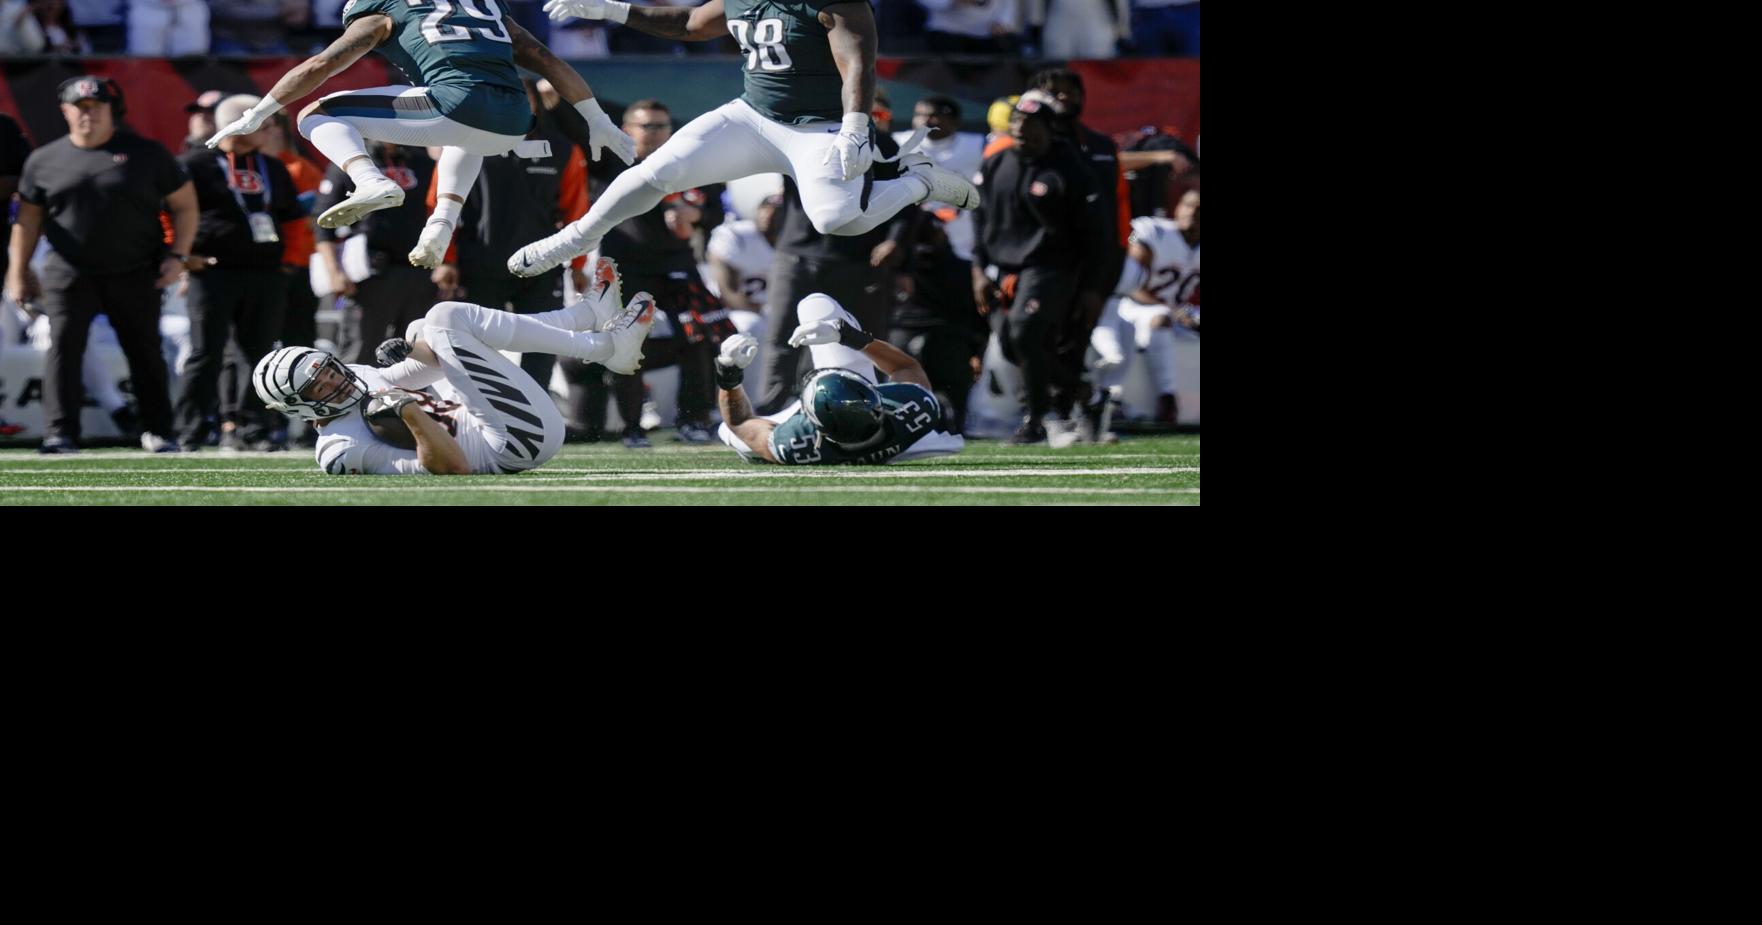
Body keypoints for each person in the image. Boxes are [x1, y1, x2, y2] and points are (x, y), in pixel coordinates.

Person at [509, 0, 980, 279]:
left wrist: (856, 126)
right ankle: (574, 239)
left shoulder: (835, 1)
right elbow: (691, 24)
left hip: (822, 126)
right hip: (754, 115)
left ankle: (919, 180)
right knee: (656, 172)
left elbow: (858, 63)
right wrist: (611, 10)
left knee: (837, 219)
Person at [204, 0, 636, 274]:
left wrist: (259, 112)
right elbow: (543, 57)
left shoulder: (383, 7)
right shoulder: (484, 5)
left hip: (455, 102)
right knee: (465, 137)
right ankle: (441, 224)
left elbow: (323, 65)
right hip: (515, 120)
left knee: (316, 113)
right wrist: (595, 118)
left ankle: (368, 180)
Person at [254, 257, 655, 475]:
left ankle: (584, 319)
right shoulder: (339, 448)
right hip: (509, 446)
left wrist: (411, 351)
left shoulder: (358, 379)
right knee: (445, 316)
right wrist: (411, 415)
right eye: (320, 386)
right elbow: (453, 468)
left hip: (490, 420)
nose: (336, 380)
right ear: (299, 407)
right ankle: (600, 344)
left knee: (422, 328)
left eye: (329, 370)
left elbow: (434, 366)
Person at [5, 77, 196, 454]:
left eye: (96, 106)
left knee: (144, 350)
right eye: (80, 107)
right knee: (63, 347)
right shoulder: (44, 160)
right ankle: (60, 433)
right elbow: (27, 221)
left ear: (111, 109)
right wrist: (17, 272)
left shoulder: (147, 154)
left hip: (135, 268)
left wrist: (179, 256)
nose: (88, 114)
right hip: (69, 269)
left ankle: (158, 430)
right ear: (65, 111)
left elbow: (185, 206)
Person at [555, 97, 730, 447]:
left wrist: (696, 215)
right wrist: (556, 100)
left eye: (662, 126)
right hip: (626, 268)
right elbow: (572, 129)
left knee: (701, 337)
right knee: (627, 343)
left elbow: (714, 208)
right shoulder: (611, 161)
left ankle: (695, 419)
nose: (655, 133)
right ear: (626, 129)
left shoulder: (688, 161)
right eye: (646, 126)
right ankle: (632, 427)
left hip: (677, 266)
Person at [428, 78, 591, 395]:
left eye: (522, 97)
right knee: (476, 346)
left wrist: (578, 264)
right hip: (480, 264)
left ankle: (535, 411)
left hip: (542, 265)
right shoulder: (463, 146)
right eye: (505, 97)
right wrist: (445, 260)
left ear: (535, 103)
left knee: (542, 344)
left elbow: (577, 213)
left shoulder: (562, 150)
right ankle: (481, 410)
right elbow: (439, 207)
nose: (515, 104)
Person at [173, 93, 307, 452]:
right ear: (241, 125)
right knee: (206, 352)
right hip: (212, 271)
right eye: (264, 124)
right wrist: (182, 256)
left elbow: (293, 219)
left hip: (266, 273)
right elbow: (169, 211)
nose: (271, 131)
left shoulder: (272, 167)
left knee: (258, 353)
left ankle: (253, 427)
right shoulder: (194, 164)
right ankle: (191, 428)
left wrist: (290, 261)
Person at [970, 90, 1101, 445]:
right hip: (1002, 268)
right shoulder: (996, 163)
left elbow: (1094, 232)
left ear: (1048, 128)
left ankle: (1037, 420)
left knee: (1025, 332)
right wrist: (978, 270)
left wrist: (1092, 285)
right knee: (1012, 343)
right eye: (1016, 121)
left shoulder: (1069, 167)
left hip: (1050, 266)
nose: (1020, 129)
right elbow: (979, 222)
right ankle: (1083, 392)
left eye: (1029, 123)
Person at [713, 291, 963, 464]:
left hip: (896, 438)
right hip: (910, 439)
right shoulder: (912, 413)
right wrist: (849, 336)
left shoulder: (795, 443)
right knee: (816, 305)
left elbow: (739, 422)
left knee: (729, 432)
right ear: (873, 397)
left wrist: (729, 373)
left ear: (811, 422)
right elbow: (905, 366)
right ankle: (919, 443)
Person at [313, 142, 437, 367]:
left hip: (419, 270)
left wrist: (447, 262)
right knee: (361, 349)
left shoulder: (421, 160)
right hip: (371, 271)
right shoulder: (352, 160)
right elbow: (323, 223)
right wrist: (334, 272)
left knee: (414, 352)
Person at [1090, 191, 1198, 427]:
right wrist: (1172, 310)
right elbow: (1131, 284)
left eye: (1198, 209)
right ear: (1178, 207)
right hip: (1134, 307)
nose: (1192, 213)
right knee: (1160, 318)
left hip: (1178, 313)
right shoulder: (1156, 232)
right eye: (1189, 205)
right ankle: (1167, 399)